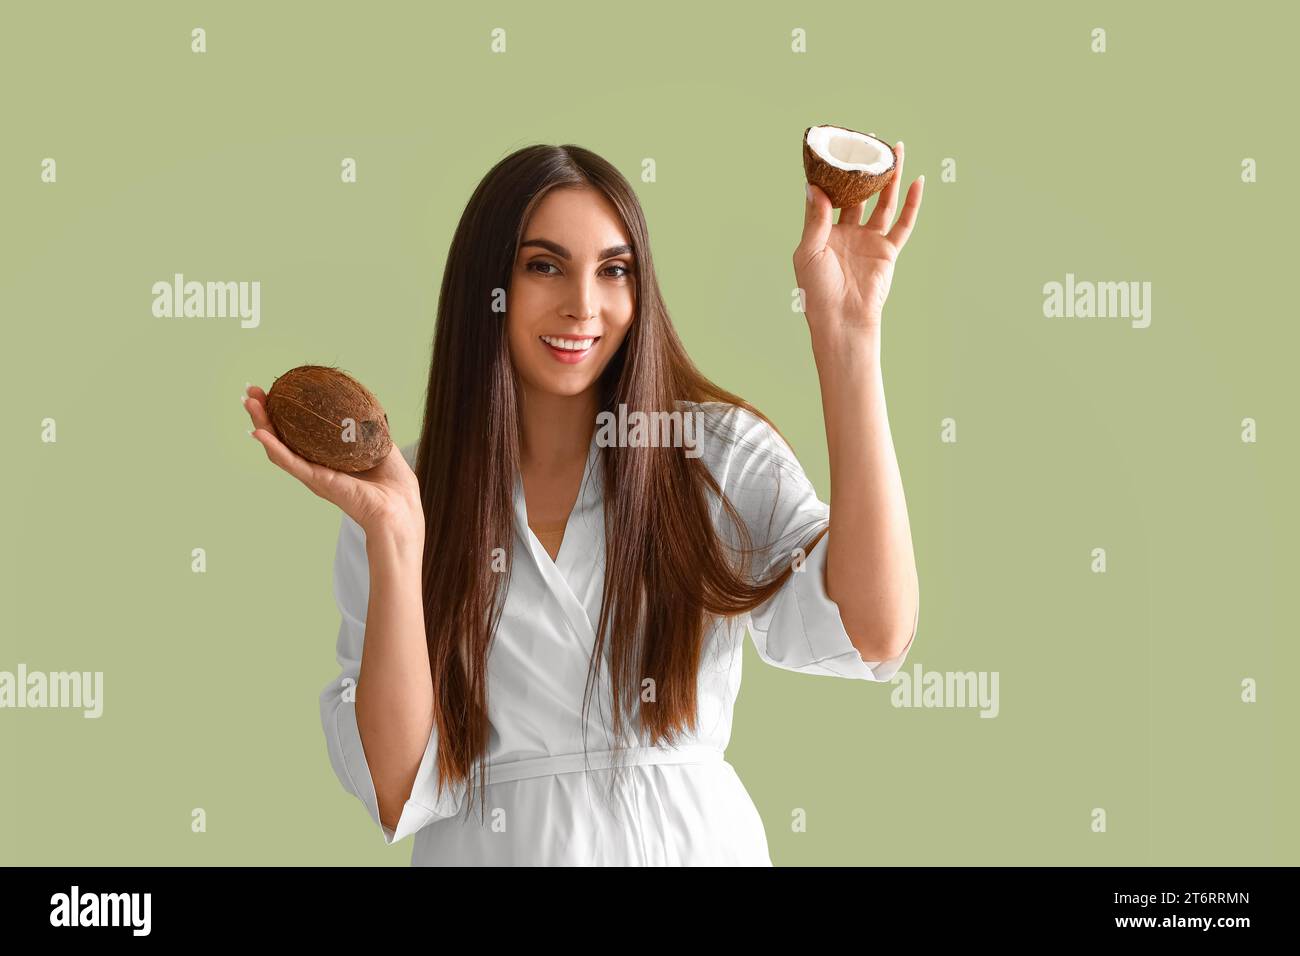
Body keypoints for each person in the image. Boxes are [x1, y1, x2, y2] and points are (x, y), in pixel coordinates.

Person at [242, 142, 924, 865]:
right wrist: (396, 534)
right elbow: (397, 783)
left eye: (614, 270)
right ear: (488, 286)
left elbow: (872, 630)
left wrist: (848, 337)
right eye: (544, 266)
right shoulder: (403, 498)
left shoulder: (711, 452)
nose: (583, 305)